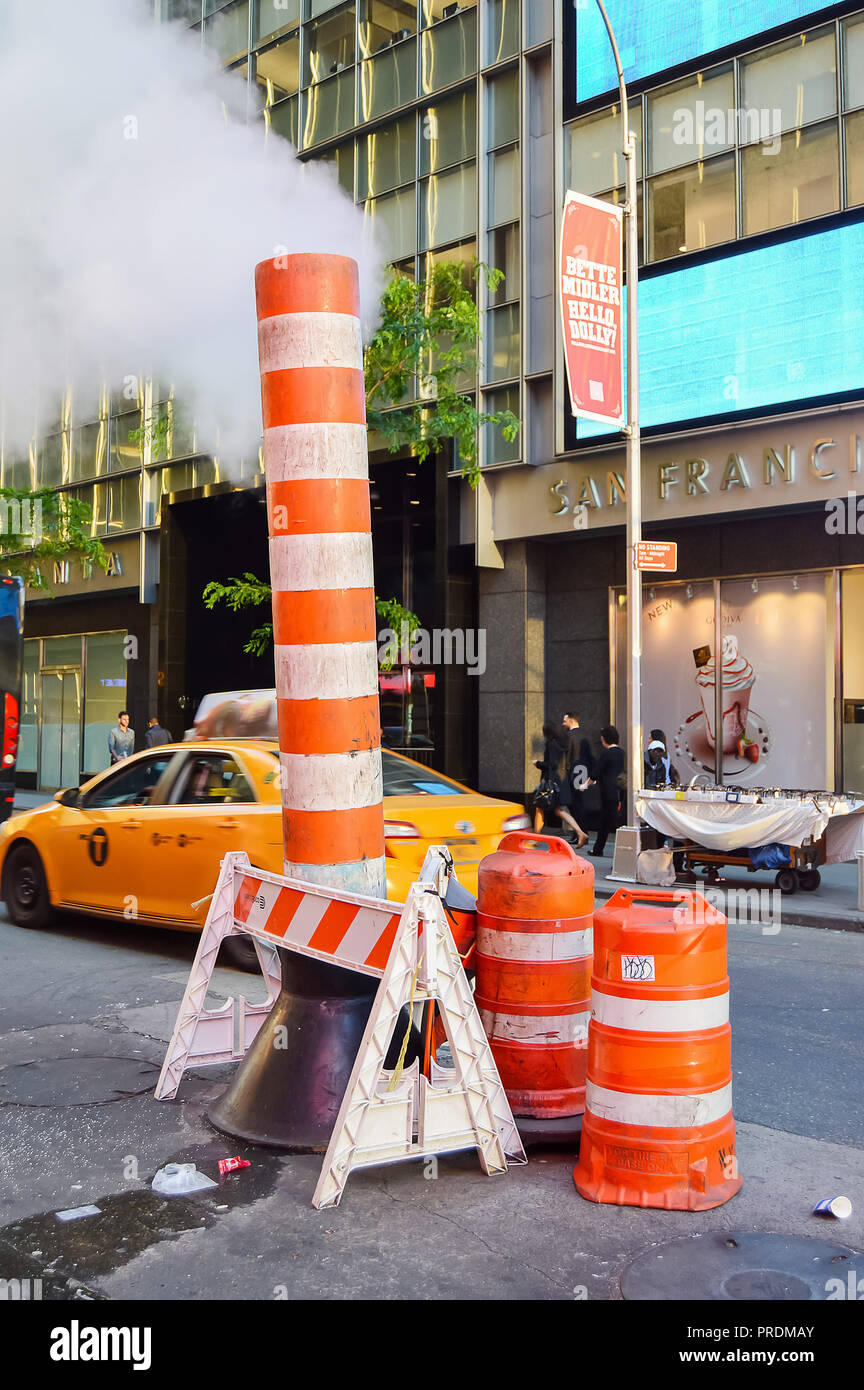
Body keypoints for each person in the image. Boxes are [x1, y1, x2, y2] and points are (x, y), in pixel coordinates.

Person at [533, 721, 588, 848]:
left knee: (541, 807)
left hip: (551, 781)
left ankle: (536, 839)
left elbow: (551, 765)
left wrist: (538, 764)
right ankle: (580, 832)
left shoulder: (551, 745)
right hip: (562, 781)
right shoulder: (563, 743)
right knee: (557, 810)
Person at [588, 724, 625, 856]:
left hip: (608, 792)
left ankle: (598, 849)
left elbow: (596, 772)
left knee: (604, 823)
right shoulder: (622, 753)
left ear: (604, 739)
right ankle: (621, 850)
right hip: (620, 791)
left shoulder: (606, 754)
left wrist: (586, 784)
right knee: (619, 822)